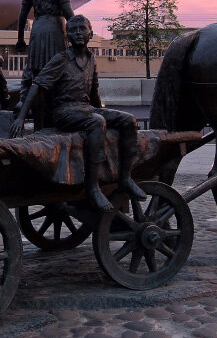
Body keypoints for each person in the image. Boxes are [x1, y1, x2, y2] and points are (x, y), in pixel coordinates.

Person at [11, 15, 144, 213]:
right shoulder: (61, 59)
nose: (78, 33)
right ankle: (92, 188)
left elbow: (94, 92)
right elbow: (37, 85)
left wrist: (107, 113)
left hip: (86, 109)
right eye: (73, 30)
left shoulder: (91, 59)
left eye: (82, 29)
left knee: (128, 120)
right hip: (64, 111)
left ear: (91, 33)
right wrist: (22, 116)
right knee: (96, 122)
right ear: (67, 36)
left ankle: (125, 177)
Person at [16, 0, 75, 126]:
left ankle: (39, 125)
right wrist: (78, 27)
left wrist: (20, 39)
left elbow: (22, 14)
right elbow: (68, 12)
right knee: (57, 77)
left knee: (38, 76)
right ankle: (55, 123)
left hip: (38, 32)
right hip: (56, 31)